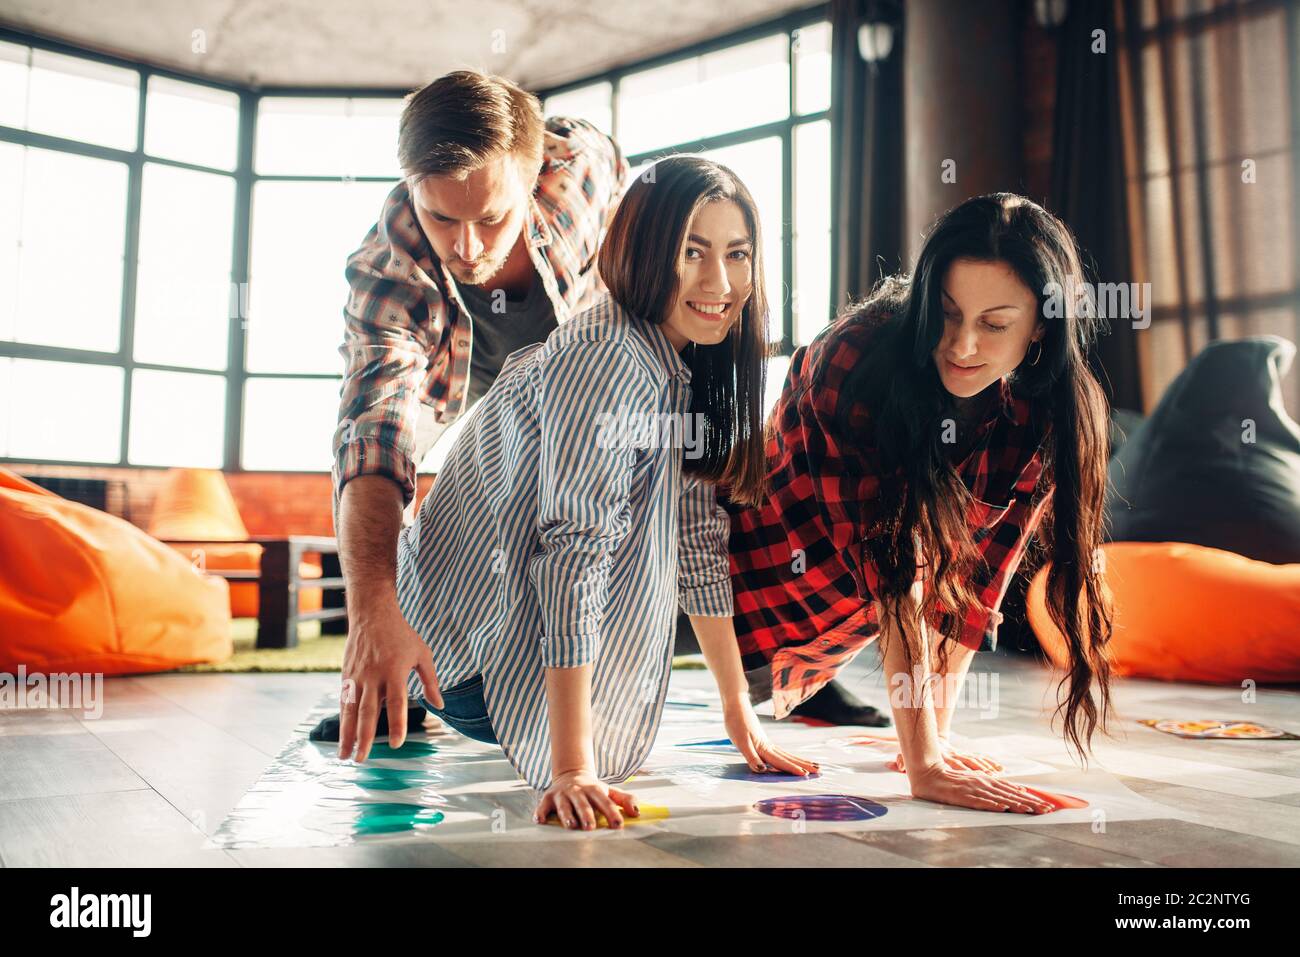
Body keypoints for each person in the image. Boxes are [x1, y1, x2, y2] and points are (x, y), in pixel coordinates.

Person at [360, 155, 819, 829]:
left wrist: (738, 716)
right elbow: (573, 554)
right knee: (600, 539)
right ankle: (391, 697)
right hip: (468, 677)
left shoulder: (677, 362)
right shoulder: (609, 356)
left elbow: (695, 536)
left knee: (666, 527)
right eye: (692, 253)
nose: (720, 282)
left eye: (737, 254)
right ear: (645, 250)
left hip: (476, 654)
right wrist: (573, 767)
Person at [725, 193, 1116, 814]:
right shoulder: (855, 357)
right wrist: (924, 763)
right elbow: (893, 571)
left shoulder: (1049, 411)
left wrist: (934, 734)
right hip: (718, 596)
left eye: (994, 324)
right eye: (946, 314)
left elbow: (977, 583)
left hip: (813, 650)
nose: (961, 346)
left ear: (1041, 324)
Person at [322, 69, 627, 750]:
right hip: (447, 363)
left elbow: (625, 182)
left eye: (491, 218)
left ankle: (773, 667)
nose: (466, 248)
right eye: (440, 217)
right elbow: (375, 438)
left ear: (534, 176)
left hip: (566, 345)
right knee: (380, 475)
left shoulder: (581, 170)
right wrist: (371, 612)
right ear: (410, 189)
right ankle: (384, 668)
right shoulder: (388, 268)